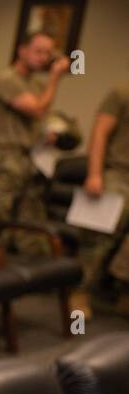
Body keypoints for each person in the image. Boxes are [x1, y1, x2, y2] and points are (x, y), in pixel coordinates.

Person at [0, 31, 70, 257]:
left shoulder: (36, 83)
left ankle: (34, 277)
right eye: (39, 51)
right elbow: (38, 108)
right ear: (22, 50)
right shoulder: (7, 80)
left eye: (48, 53)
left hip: (32, 159)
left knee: (31, 223)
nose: (44, 57)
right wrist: (55, 77)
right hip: (6, 160)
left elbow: (40, 116)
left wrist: (49, 134)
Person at [79, 82, 129, 313]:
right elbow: (100, 133)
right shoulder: (121, 93)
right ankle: (80, 292)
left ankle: (123, 293)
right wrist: (95, 174)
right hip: (117, 173)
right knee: (98, 238)